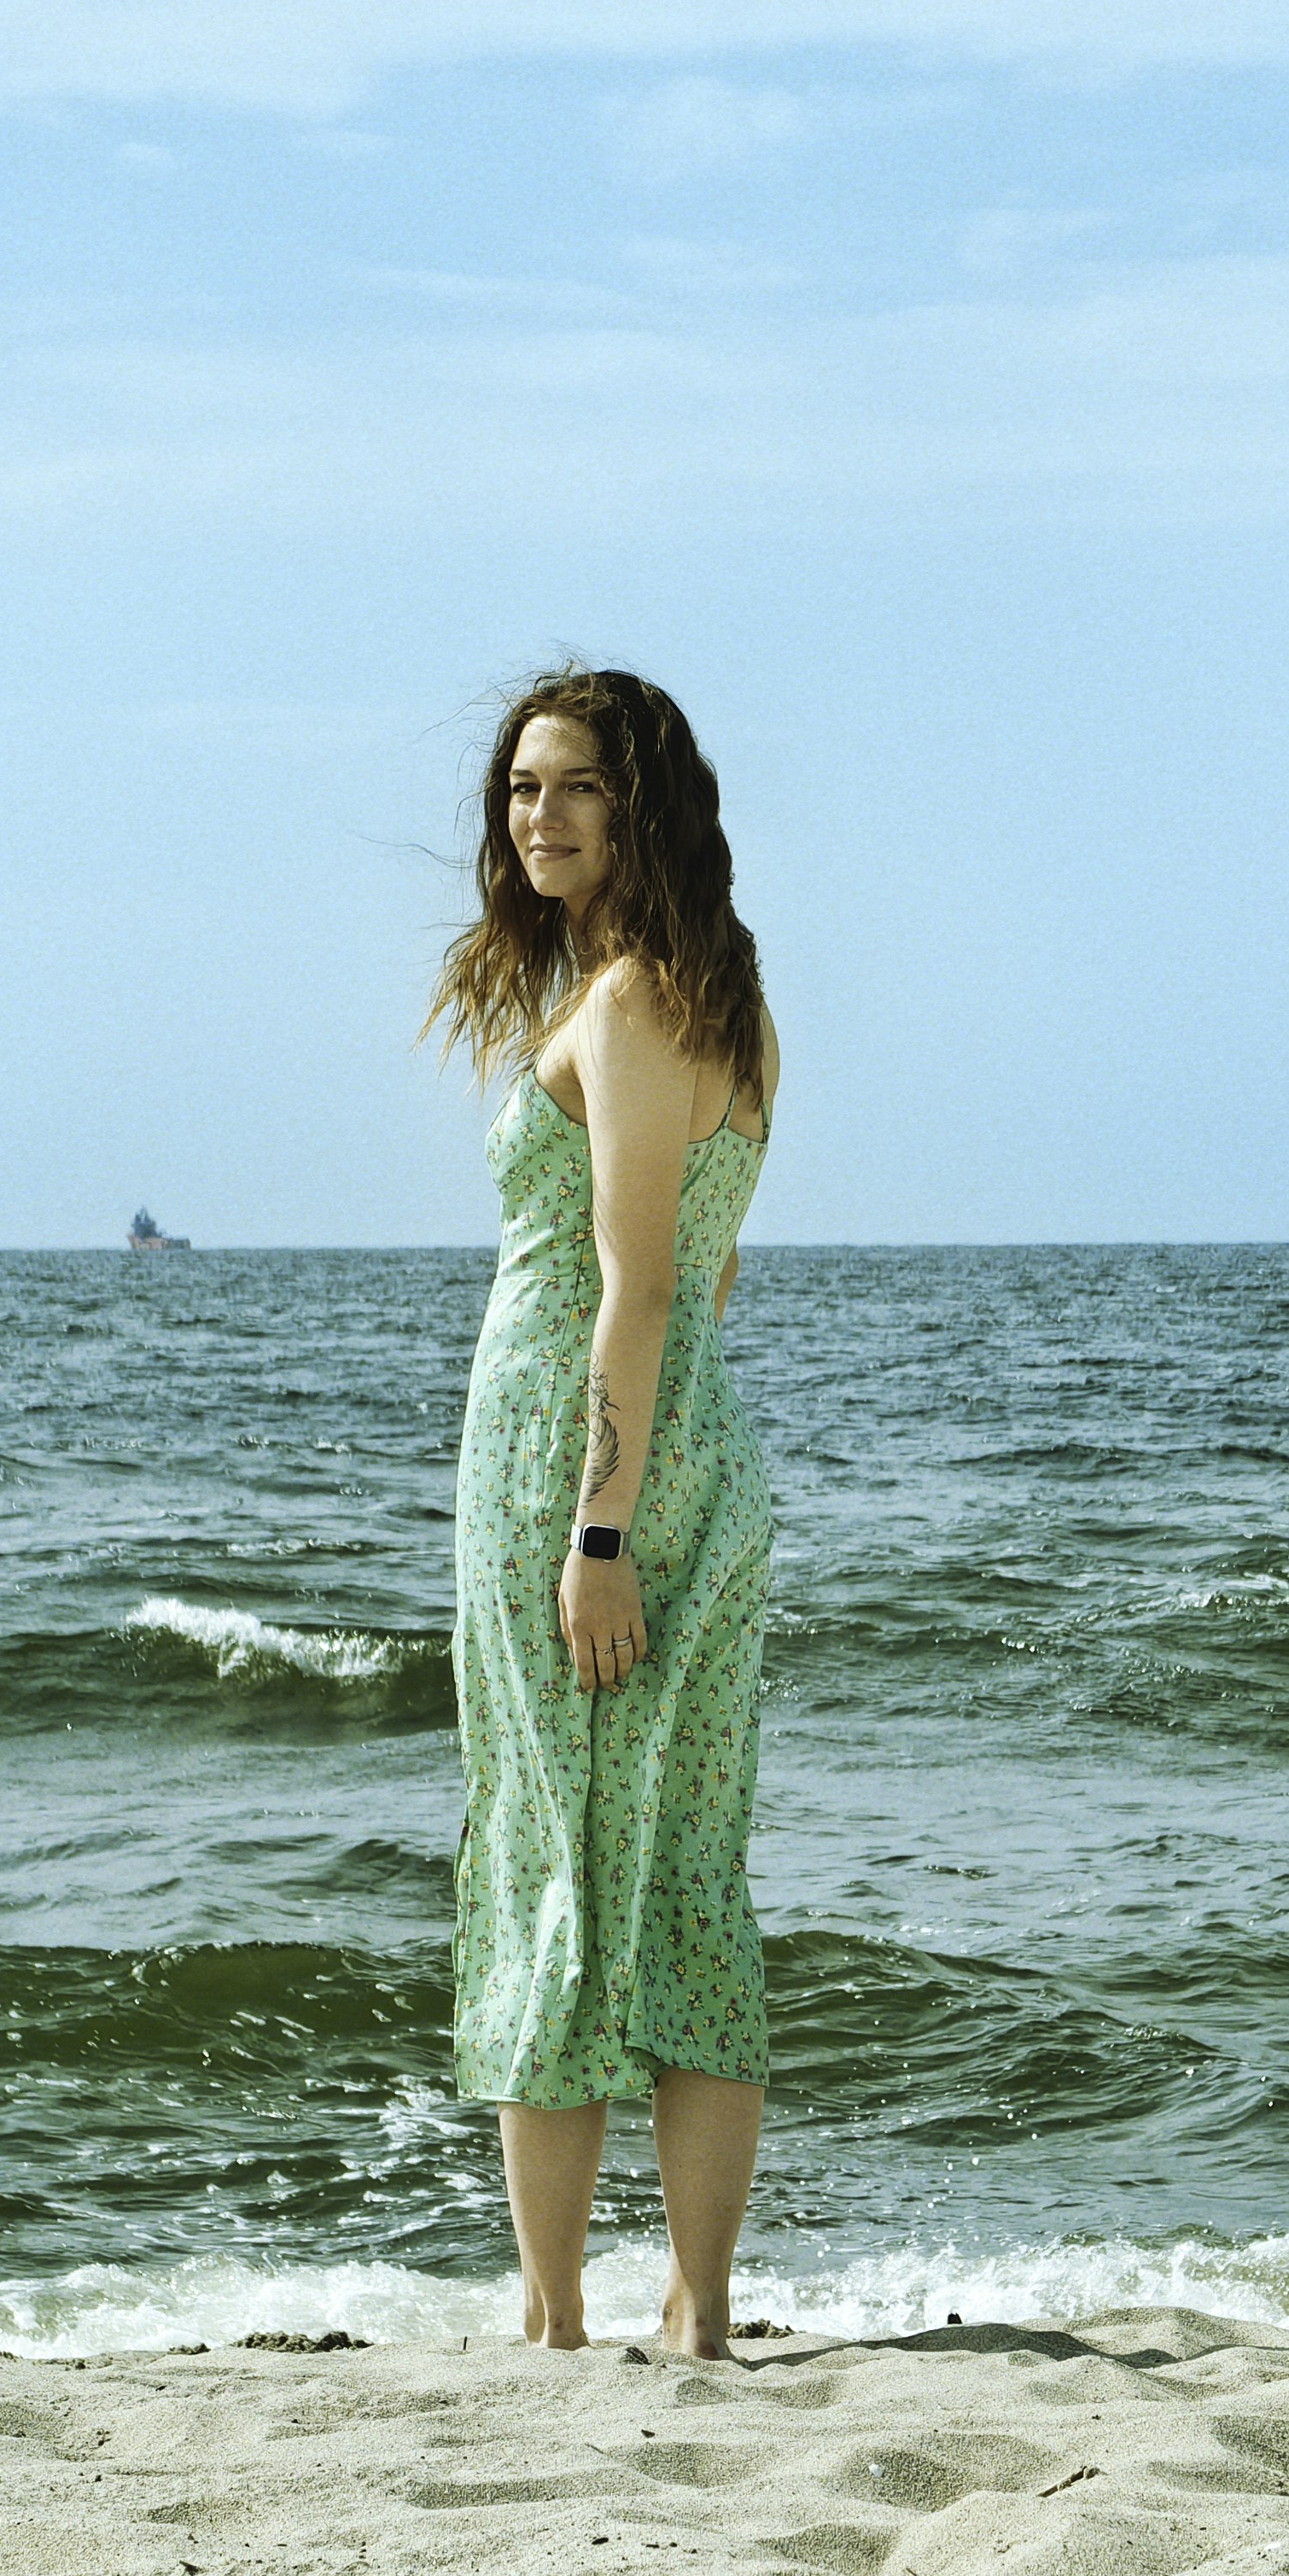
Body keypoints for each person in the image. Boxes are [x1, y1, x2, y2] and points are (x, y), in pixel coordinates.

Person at [426, 667, 780, 2357]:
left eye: (570, 788)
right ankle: (693, 2314)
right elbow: (715, 1269)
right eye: (515, 794)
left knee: (558, 1866)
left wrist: (597, 1529)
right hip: (685, 1453)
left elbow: (640, 1285)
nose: (536, 819)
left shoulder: (633, 1005)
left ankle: (557, 2319)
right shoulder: (727, 1001)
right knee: (683, 1869)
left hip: (586, 1474)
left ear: (642, 804)